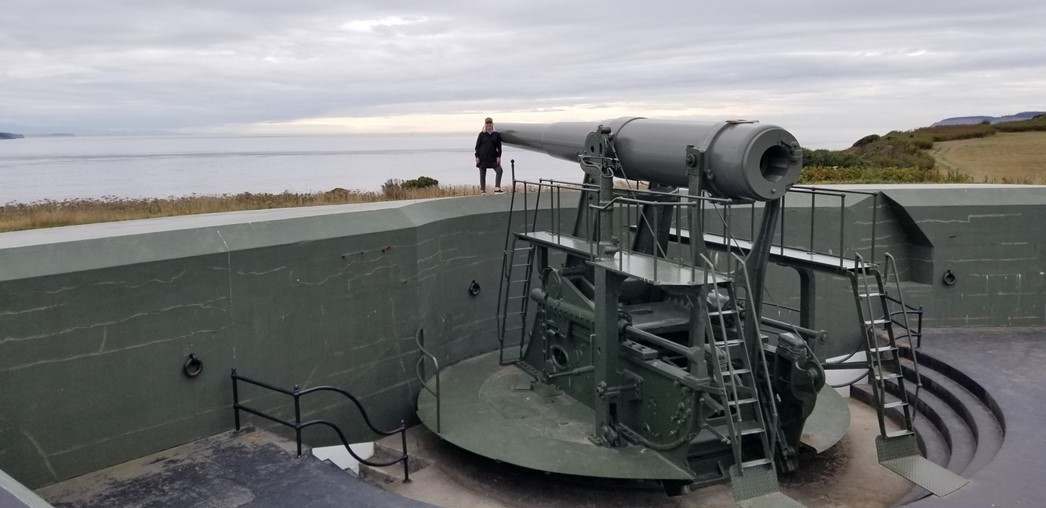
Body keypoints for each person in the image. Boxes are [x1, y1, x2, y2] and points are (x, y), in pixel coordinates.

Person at [474, 117, 503, 194]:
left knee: (499, 171)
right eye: (487, 124)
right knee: (482, 174)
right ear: (485, 125)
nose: (488, 125)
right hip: (482, 157)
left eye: (490, 123)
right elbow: (477, 147)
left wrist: (498, 156)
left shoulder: (496, 134)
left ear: (492, 124)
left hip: (493, 158)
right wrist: (477, 157)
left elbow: (499, 147)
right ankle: (483, 190)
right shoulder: (481, 134)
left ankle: (497, 188)